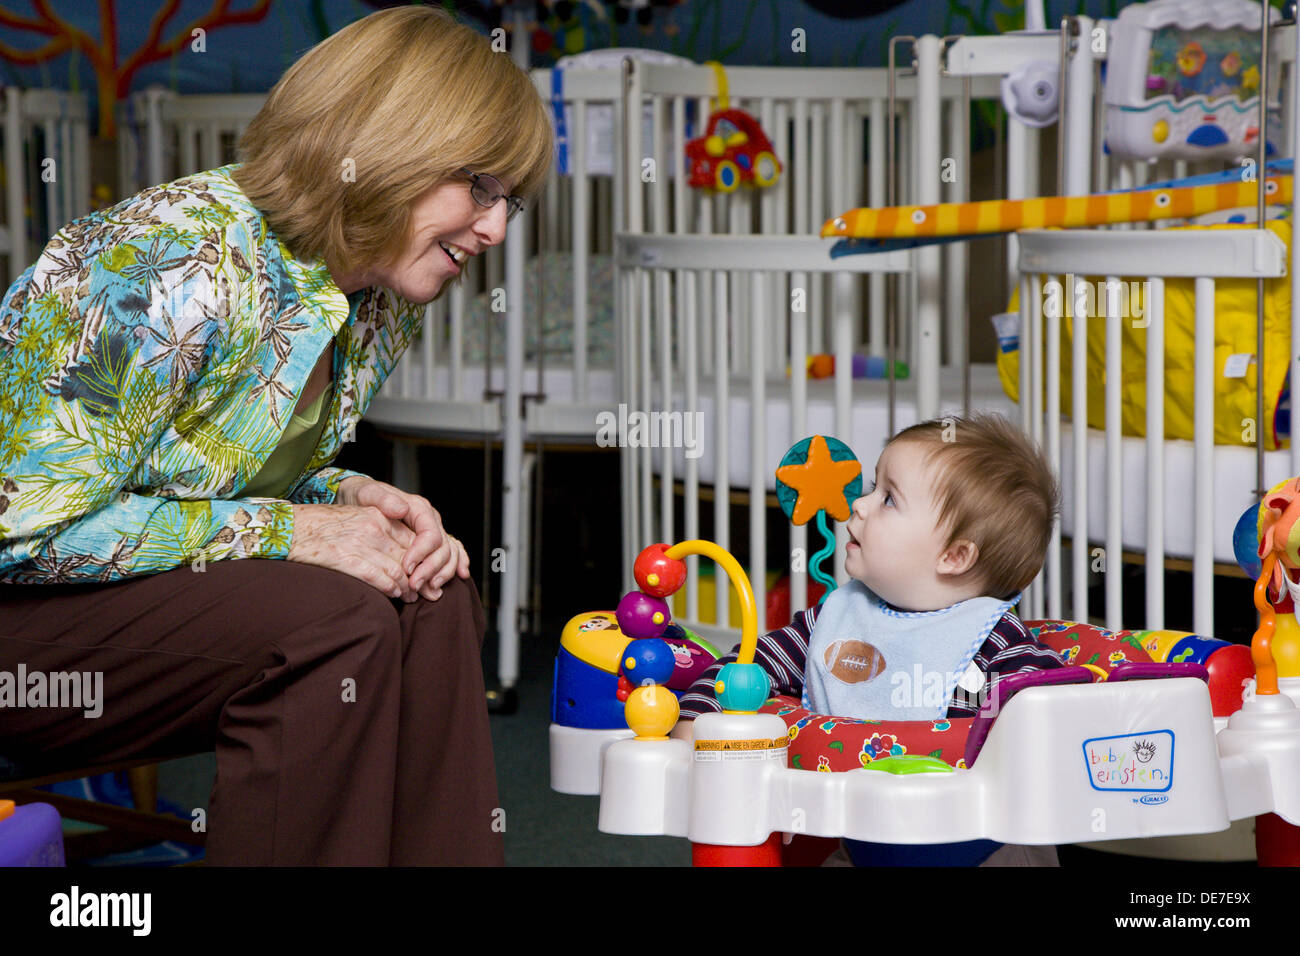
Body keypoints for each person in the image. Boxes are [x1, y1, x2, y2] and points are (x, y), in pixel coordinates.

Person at [0, 6, 552, 865]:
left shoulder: (372, 293)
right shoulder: (169, 262)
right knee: (331, 623)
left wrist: (354, 497)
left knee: (430, 595)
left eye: (509, 201)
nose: (496, 230)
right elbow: (24, 532)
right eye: (480, 187)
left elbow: (214, 472)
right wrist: (297, 532)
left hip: (119, 602)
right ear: (389, 138)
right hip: (21, 625)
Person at [672, 412, 1066, 865]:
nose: (859, 504)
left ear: (954, 555)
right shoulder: (838, 618)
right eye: (873, 487)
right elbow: (747, 667)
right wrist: (697, 719)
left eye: (888, 499)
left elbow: (1050, 717)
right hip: (861, 840)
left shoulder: (991, 641)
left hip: (986, 843)